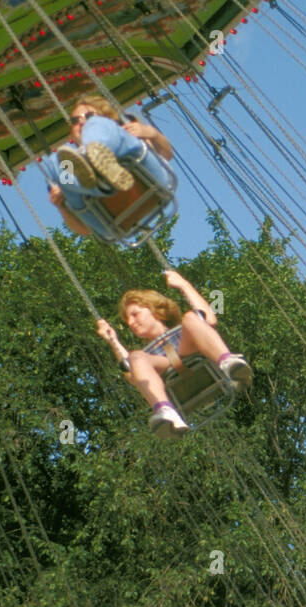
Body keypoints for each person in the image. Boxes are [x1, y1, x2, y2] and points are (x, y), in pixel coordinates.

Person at [96, 269, 252, 437]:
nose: (131, 322)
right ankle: (164, 410)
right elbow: (133, 376)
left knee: (191, 317)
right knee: (135, 357)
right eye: (128, 320)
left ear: (153, 309)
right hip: (164, 366)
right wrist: (113, 341)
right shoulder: (147, 354)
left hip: (189, 352)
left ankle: (228, 363)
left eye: (135, 314)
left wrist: (183, 285)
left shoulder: (182, 331)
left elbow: (209, 319)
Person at [44, 94, 175, 241]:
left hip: (152, 183)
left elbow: (166, 154)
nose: (81, 122)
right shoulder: (68, 162)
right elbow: (84, 229)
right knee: (53, 162)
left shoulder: (122, 129)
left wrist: (150, 133)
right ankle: (94, 178)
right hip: (106, 221)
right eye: (75, 121)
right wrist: (61, 205)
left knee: (99, 128)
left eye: (89, 116)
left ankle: (99, 161)